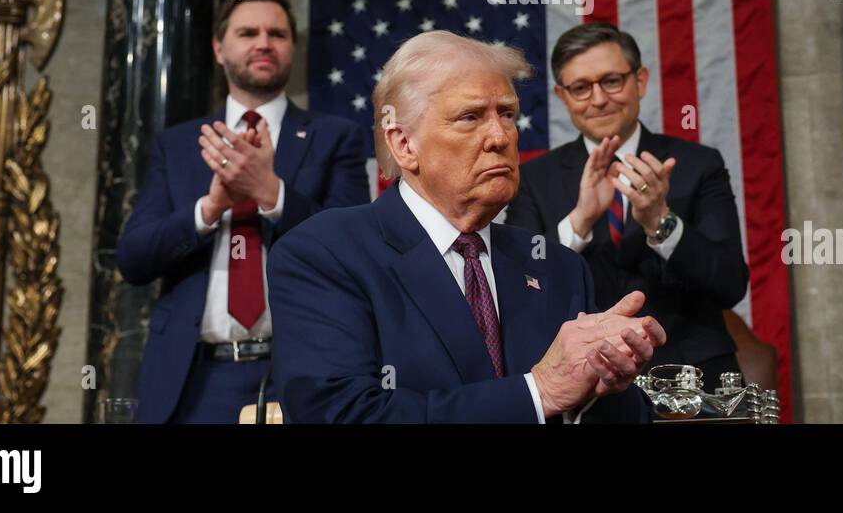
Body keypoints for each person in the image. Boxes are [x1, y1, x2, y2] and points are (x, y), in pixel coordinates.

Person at [269, 31, 664, 422]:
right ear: (404, 144)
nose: (500, 137)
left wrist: (606, 386)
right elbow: (343, 414)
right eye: (470, 117)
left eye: (507, 114)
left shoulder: (556, 265)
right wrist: (538, 392)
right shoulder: (324, 253)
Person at [117, 0, 369, 423]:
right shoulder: (176, 145)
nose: (264, 43)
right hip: (191, 380)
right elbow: (134, 259)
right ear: (219, 49)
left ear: (292, 47)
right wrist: (209, 209)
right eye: (248, 33)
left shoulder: (336, 137)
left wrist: (270, 193)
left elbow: (355, 252)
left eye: (277, 34)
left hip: (294, 374)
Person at [507, 21, 766, 387]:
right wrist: (579, 222)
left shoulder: (697, 165)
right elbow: (518, 288)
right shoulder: (533, 178)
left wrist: (661, 221)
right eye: (581, 88)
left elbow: (729, 285)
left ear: (639, 81)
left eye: (612, 81)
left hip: (691, 380)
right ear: (562, 96)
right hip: (585, 383)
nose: (598, 99)